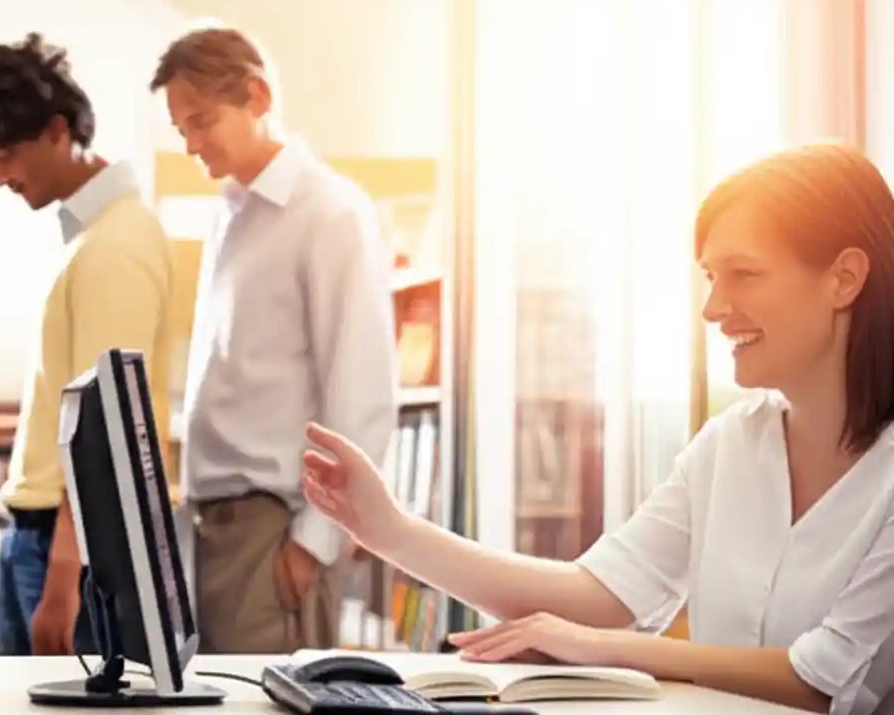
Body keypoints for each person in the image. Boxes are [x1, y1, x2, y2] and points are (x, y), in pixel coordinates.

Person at [302, 143, 894, 715]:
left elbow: (819, 680)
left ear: (844, 278)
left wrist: (609, 651)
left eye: (744, 273)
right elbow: (598, 598)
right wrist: (389, 531)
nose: (713, 308)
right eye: (712, 277)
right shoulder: (729, 446)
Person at [150, 26, 398, 654]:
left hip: (274, 529)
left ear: (257, 97)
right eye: (181, 131)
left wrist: (314, 541)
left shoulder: (330, 211)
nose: (191, 144)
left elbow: (361, 387)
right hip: (213, 525)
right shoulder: (229, 214)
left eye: (201, 122)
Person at [0, 32, 176, 656]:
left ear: (57, 131)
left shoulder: (114, 246)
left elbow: (103, 427)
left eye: (5, 156)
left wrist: (65, 578)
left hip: (69, 547)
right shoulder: (92, 237)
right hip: (46, 537)